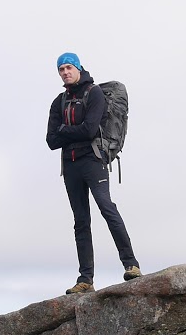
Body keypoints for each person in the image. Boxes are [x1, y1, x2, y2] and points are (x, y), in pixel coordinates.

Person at [46, 52, 140, 294]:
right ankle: (85, 279)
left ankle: (132, 265)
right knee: (81, 221)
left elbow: (89, 131)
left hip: (92, 160)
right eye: (61, 69)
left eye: (69, 67)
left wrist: (65, 129)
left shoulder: (94, 93)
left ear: (78, 68)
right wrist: (71, 131)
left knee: (106, 207)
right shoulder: (59, 102)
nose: (65, 72)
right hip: (70, 165)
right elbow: (51, 141)